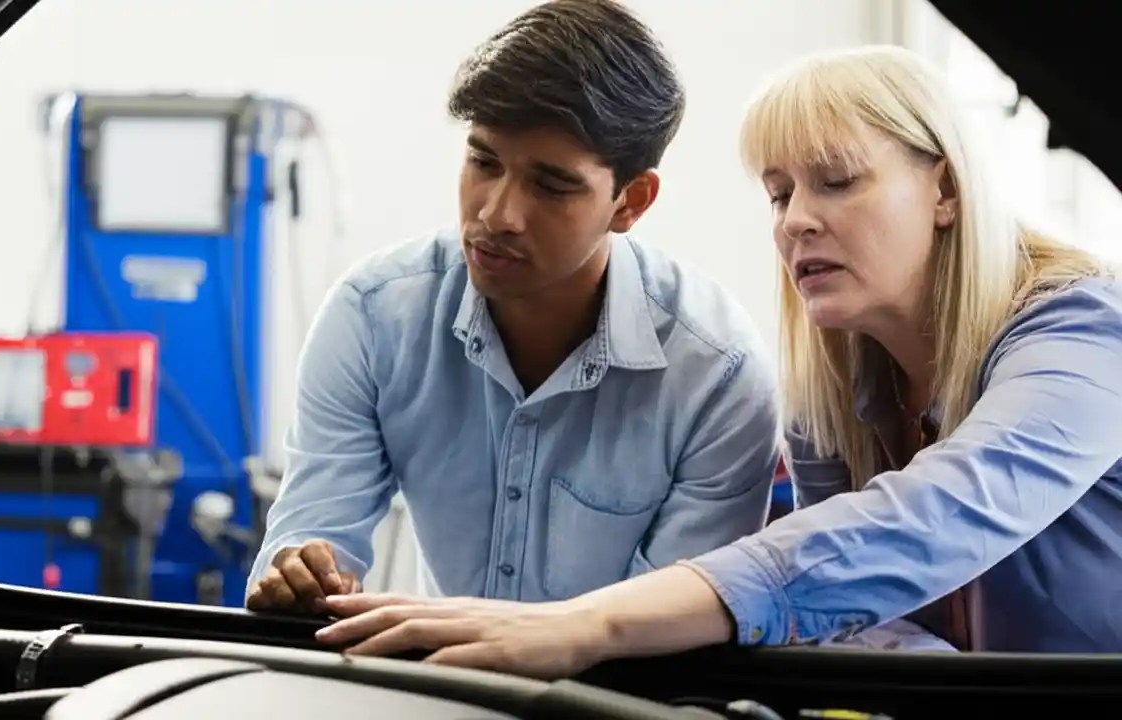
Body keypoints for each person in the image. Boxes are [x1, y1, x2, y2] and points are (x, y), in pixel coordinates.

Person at [312, 44, 1122, 676]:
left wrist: (589, 624)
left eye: (836, 181)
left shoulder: (1085, 336)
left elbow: (932, 520)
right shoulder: (830, 390)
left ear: (945, 190)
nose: (796, 221)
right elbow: (849, 616)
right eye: (779, 193)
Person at [244, 0, 779, 614]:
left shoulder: (717, 375)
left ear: (630, 202)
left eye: (550, 186)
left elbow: (669, 634)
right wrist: (305, 577)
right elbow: (315, 537)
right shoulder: (372, 318)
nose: (497, 215)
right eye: (483, 161)